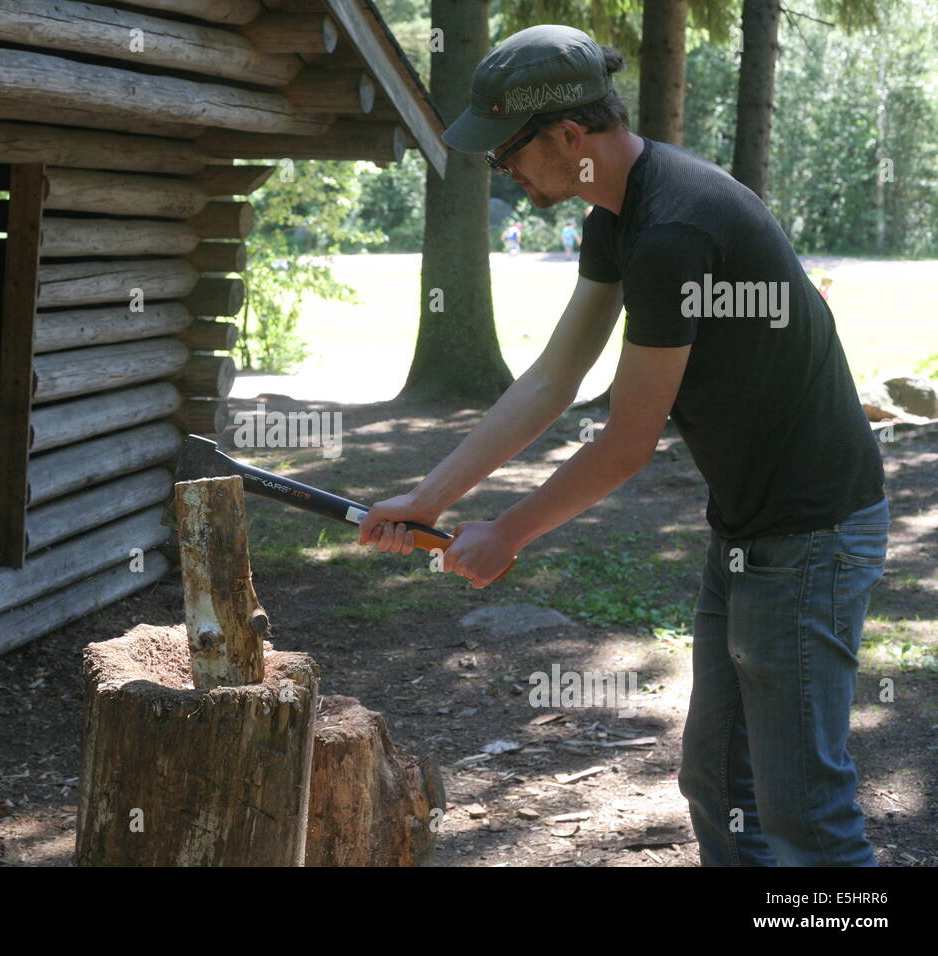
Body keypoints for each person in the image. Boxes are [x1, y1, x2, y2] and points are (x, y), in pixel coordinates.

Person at [357, 24, 887, 867]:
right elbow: (549, 382)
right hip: (751, 533)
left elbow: (629, 441)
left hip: (812, 535)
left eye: (509, 154)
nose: (503, 172)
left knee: (804, 815)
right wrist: (431, 498)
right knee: (718, 784)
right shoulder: (620, 211)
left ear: (570, 137)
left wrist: (510, 534)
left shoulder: (676, 227)